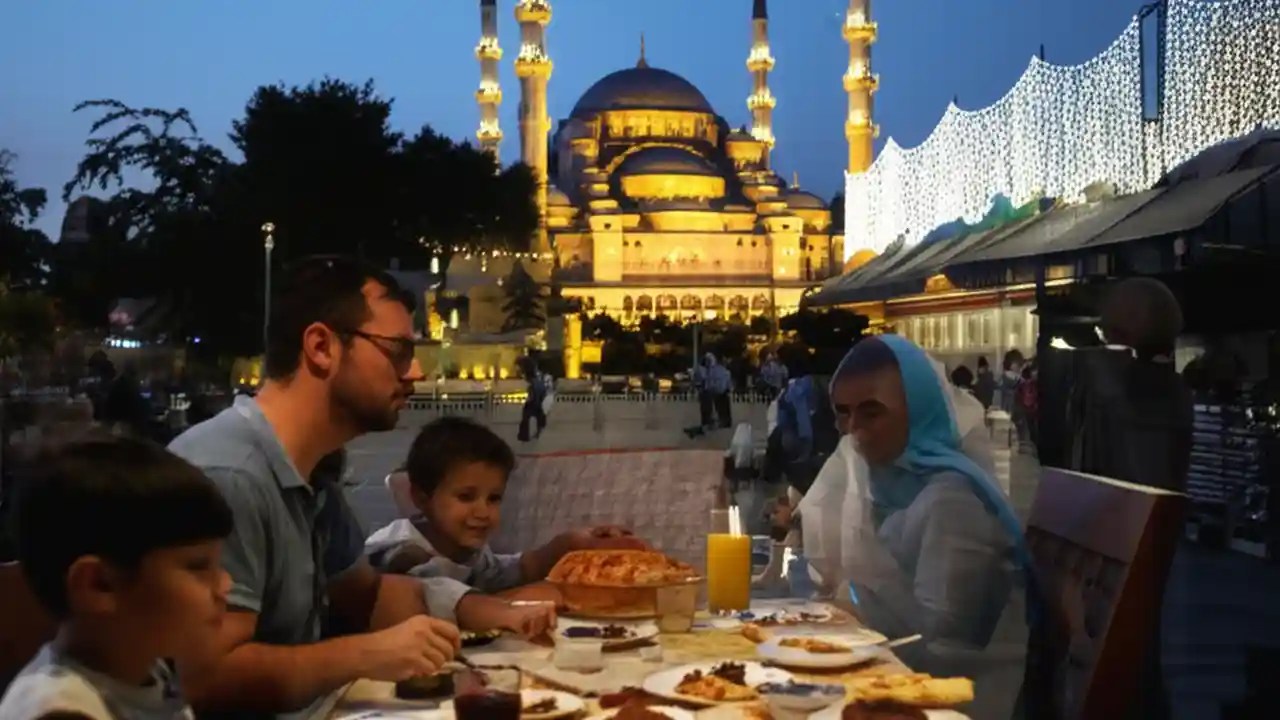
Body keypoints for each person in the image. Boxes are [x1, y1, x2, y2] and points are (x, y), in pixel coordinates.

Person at [167, 256, 553, 720]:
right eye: (398, 351)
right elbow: (205, 680)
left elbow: (367, 597)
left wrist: (501, 610)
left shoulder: (311, 471)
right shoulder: (231, 476)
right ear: (321, 347)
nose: (415, 374)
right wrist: (365, 654)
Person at [800, 335, 1031, 720]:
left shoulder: (953, 500)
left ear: (919, 409)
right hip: (893, 688)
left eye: (871, 412)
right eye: (843, 413)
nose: (854, 430)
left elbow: (944, 650)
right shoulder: (887, 486)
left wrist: (847, 614)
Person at [0, 433, 233, 720]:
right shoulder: (61, 710)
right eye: (198, 566)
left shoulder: (148, 668)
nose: (225, 585)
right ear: (98, 585)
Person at [365, 417, 649, 601]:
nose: (483, 512)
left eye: (494, 498)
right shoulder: (401, 554)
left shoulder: (466, 551)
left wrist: (572, 545)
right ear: (421, 497)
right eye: (466, 497)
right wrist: (535, 596)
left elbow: (518, 568)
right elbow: (450, 607)